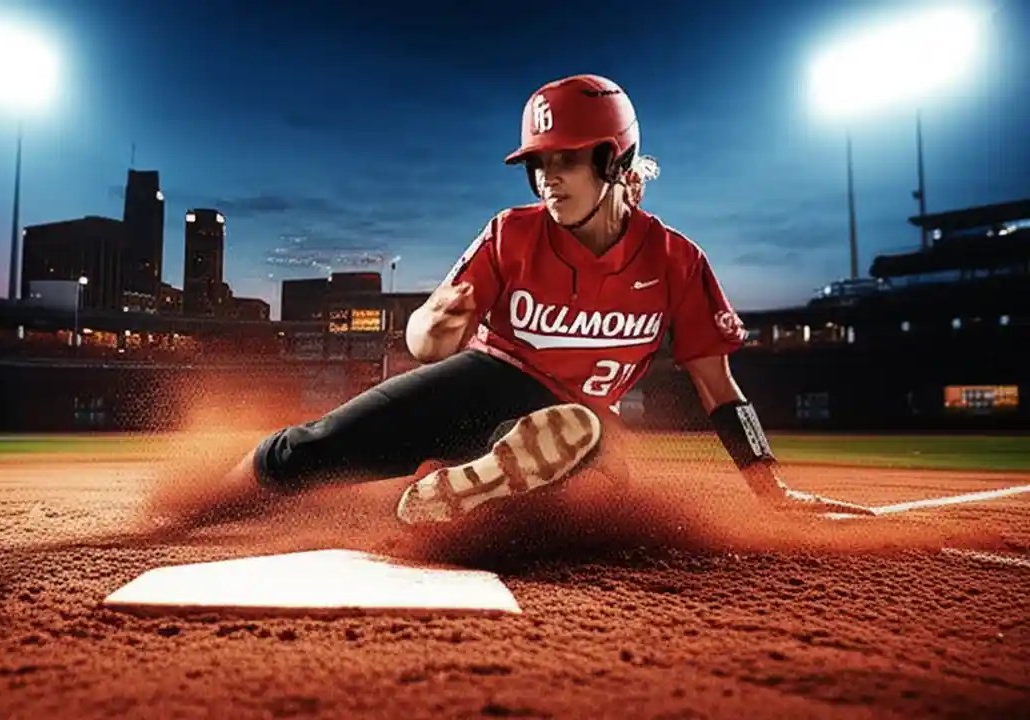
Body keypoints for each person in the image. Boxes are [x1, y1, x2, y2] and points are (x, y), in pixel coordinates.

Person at [152, 74, 873, 532]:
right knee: (308, 450)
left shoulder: (677, 261)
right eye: (539, 165)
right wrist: (433, 326)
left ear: (615, 162)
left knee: (592, 492)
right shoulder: (512, 232)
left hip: (581, 424)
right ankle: (202, 509)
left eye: (567, 161)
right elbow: (430, 340)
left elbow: (718, 388)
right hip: (484, 379)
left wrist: (768, 486)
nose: (548, 180)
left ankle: (459, 496)